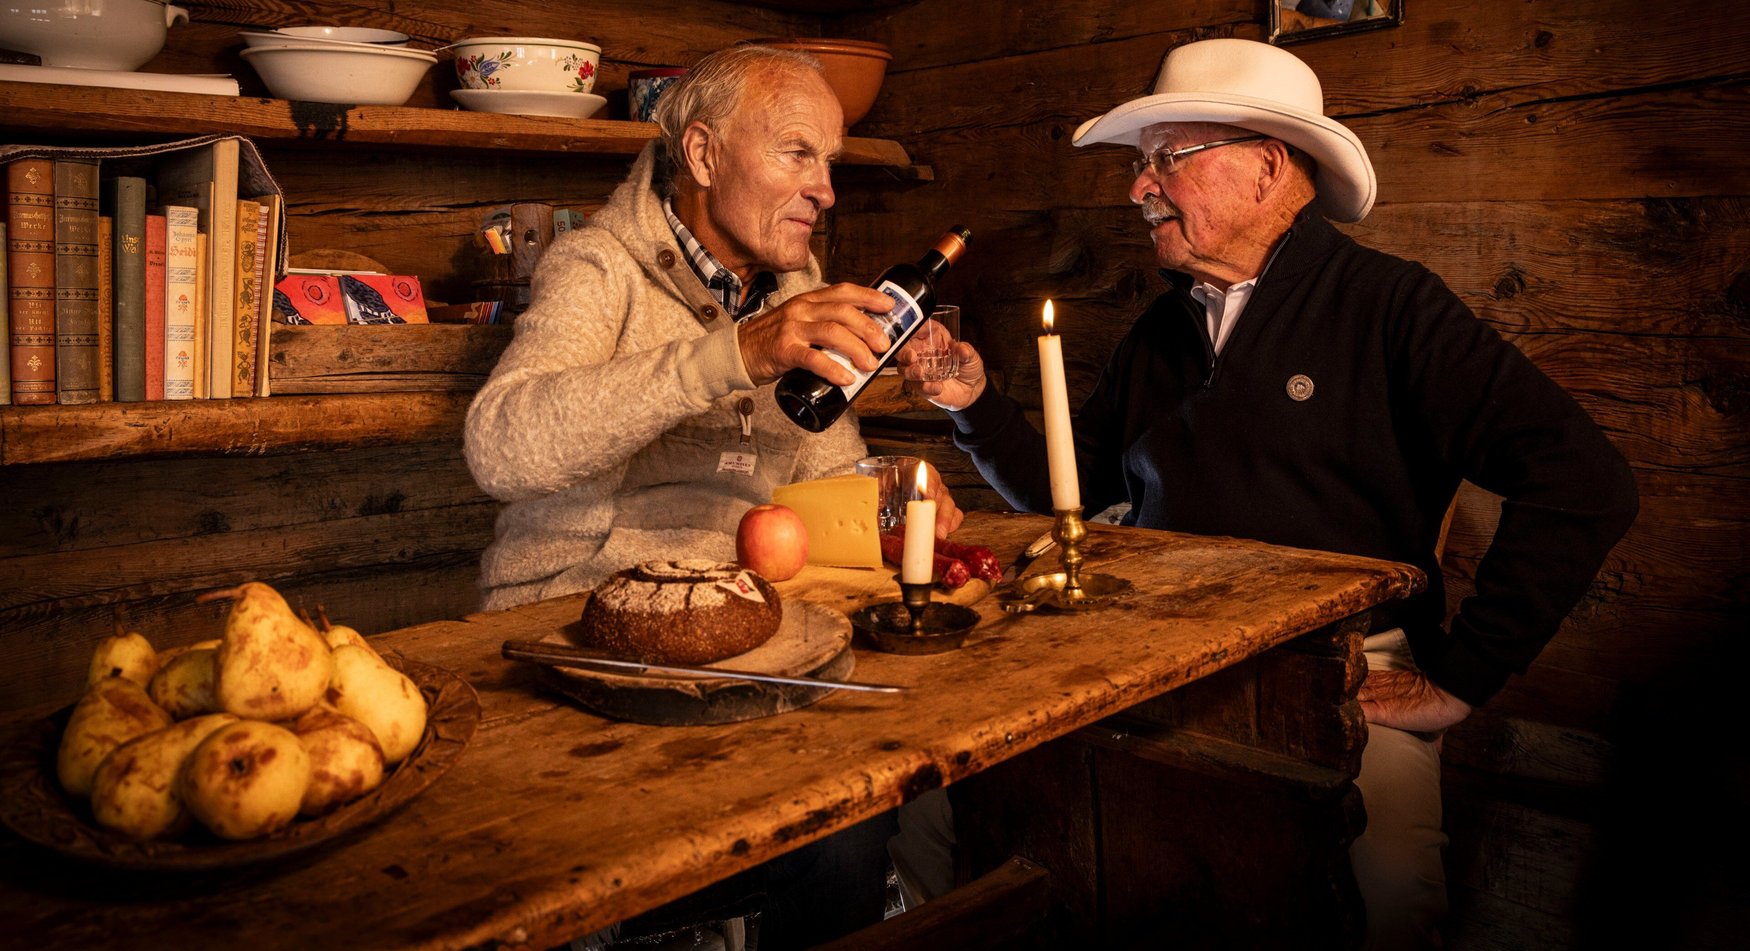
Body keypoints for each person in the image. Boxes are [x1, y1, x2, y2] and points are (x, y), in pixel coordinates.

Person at [904, 38, 1639, 949]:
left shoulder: (1390, 307)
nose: (1138, 188)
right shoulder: (1163, 330)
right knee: (951, 823)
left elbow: (1585, 480)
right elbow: (1073, 490)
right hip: (1150, 663)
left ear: (1265, 169)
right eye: (1140, 165)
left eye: (1166, 159)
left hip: (1337, 677)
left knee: (1389, 899)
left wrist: (1460, 679)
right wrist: (972, 403)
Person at [463, 44, 962, 949]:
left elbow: (825, 470)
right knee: (829, 839)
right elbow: (501, 444)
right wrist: (730, 355)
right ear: (701, 155)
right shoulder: (597, 268)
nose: (826, 190)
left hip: (743, 649)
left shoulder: (796, 287)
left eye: (832, 163)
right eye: (797, 154)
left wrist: (897, 503)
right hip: (577, 655)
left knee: (858, 816)